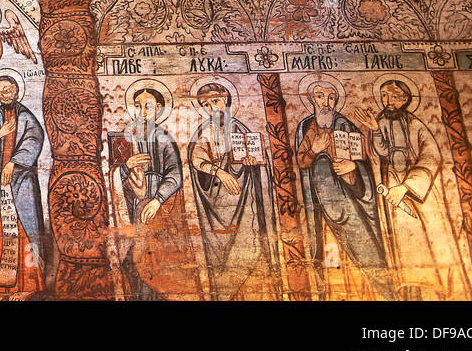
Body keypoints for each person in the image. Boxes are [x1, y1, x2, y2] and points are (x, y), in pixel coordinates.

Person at [352, 80, 472, 299]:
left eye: (393, 96)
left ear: (404, 99)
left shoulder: (415, 124)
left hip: (418, 190)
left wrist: (407, 186)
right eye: (384, 96)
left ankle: (434, 293)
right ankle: (410, 292)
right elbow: (379, 153)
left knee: (430, 243)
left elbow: (431, 155)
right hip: (392, 187)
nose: (388, 102)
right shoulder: (380, 122)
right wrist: (375, 131)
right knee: (402, 245)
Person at [294, 78, 393, 299]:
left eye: (331, 97)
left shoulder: (346, 126)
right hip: (320, 208)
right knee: (330, 254)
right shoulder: (305, 127)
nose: (326, 102)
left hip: (349, 206)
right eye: (320, 96)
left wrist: (354, 167)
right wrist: (314, 150)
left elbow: (365, 162)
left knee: (358, 251)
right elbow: (301, 162)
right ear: (312, 99)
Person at [187, 83, 279, 299]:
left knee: (253, 256)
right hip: (218, 209)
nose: (212, 108)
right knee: (224, 264)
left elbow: (258, 163)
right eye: (206, 105)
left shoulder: (240, 129)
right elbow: (196, 158)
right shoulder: (205, 132)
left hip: (246, 207)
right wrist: (220, 172)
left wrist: (251, 165)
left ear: (226, 101)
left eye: (216, 101)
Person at [114, 86, 202, 299]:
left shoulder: (164, 139)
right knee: (133, 261)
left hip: (161, 211)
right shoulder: (125, 137)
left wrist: (157, 201)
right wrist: (127, 166)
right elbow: (114, 174)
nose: (143, 111)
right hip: (134, 209)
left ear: (159, 109)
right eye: (138, 106)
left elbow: (175, 175)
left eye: (148, 106)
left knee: (157, 264)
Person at [0, 75, 46, 297]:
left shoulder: (27, 117)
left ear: (16, 91)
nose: (3, 96)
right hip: (0, 183)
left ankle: (28, 286)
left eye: (7, 91)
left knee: (25, 229)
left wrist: (12, 163)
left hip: (22, 183)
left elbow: (34, 140)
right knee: (0, 228)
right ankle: (1, 286)